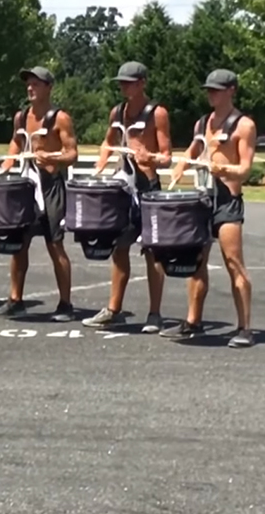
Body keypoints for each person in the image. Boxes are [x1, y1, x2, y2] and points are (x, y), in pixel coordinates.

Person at [161, 69, 256, 347]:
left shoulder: (244, 125)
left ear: (231, 90)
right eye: (209, 89)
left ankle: (245, 328)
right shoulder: (203, 123)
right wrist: (180, 167)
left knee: (233, 263)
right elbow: (193, 150)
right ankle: (193, 322)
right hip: (201, 200)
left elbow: (245, 169)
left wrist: (224, 169)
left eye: (216, 89)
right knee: (195, 263)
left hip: (227, 200)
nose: (211, 94)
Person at [82, 61, 173, 332]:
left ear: (142, 82)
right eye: (121, 82)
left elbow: (167, 156)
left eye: (129, 82)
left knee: (152, 253)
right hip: (123, 188)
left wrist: (151, 158)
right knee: (119, 249)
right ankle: (114, 309)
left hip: (148, 188)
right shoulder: (118, 112)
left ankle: (155, 314)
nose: (124, 86)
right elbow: (108, 142)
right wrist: (100, 165)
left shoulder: (157, 113)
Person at [0, 66, 78, 320]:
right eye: (28, 84)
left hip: (50, 186)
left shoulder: (60, 118)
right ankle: (15, 299)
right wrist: (6, 165)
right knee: (19, 245)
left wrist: (53, 157)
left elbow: (72, 153)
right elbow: (16, 143)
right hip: (25, 185)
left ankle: (65, 304)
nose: (30, 88)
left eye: (36, 84)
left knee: (55, 244)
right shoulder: (21, 118)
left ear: (49, 87)